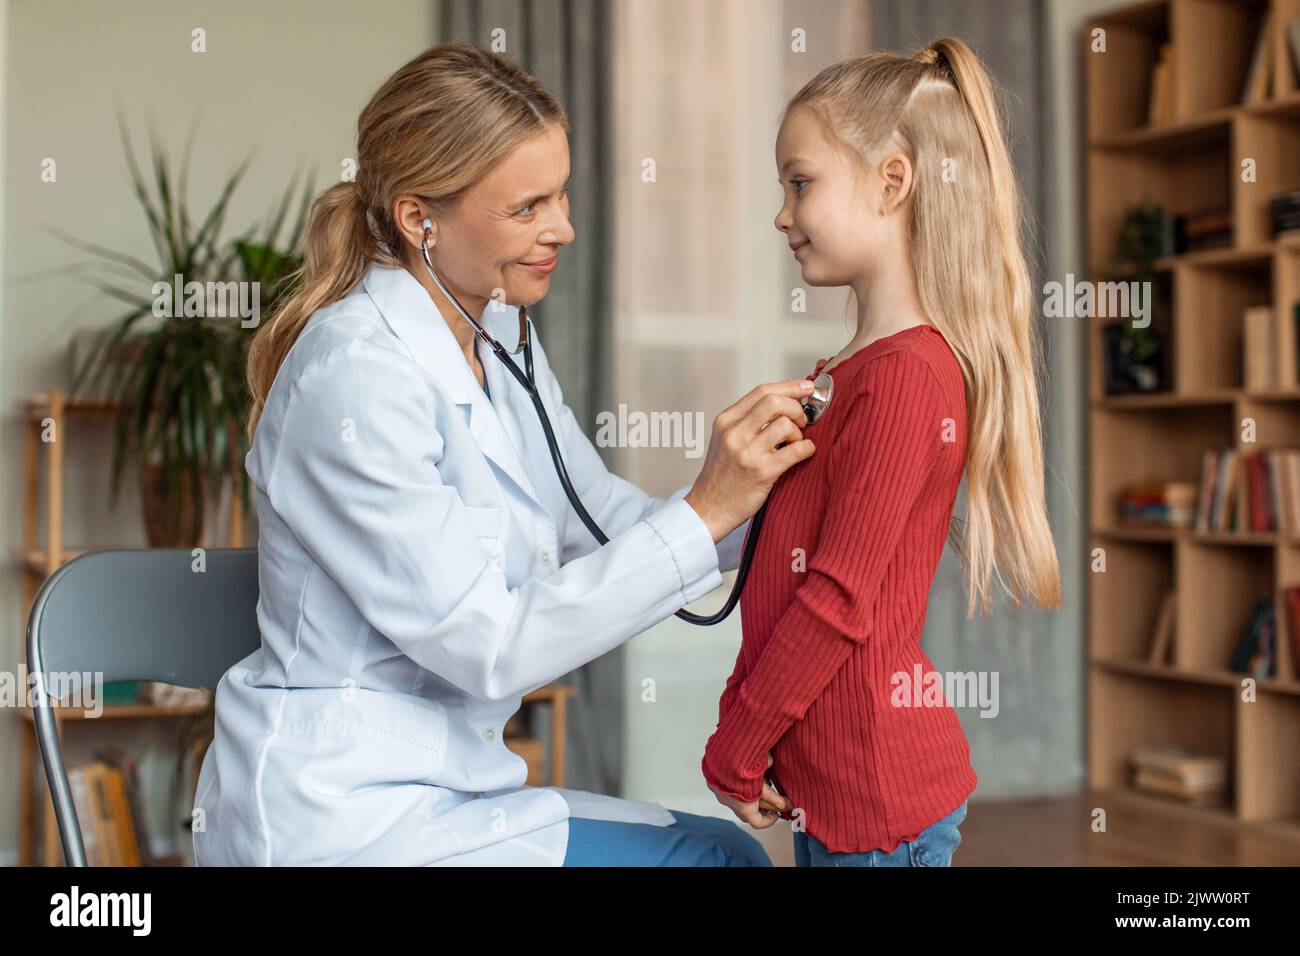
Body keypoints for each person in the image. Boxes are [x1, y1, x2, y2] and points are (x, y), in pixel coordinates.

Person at [191, 42, 815, 866]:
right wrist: (706, 513)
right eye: (527, 208)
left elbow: (590, 515)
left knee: (716, 851)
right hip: (342, 818)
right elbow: (490, 647)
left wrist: (769, 502)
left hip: (458, 787)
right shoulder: (354, 378)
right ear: (421, 218)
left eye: (560, 193)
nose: (563, 227)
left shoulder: (499, 329)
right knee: (716, 864)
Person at [700, 37, 1063, 867]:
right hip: (837, 794)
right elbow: (782, 581)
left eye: (800, 183)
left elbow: (834, 600)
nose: (783, 214)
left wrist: (738, 742)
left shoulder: (907, 381)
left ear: (892, 183)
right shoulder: (850, 374)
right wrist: (741, 728)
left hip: (874, 799)